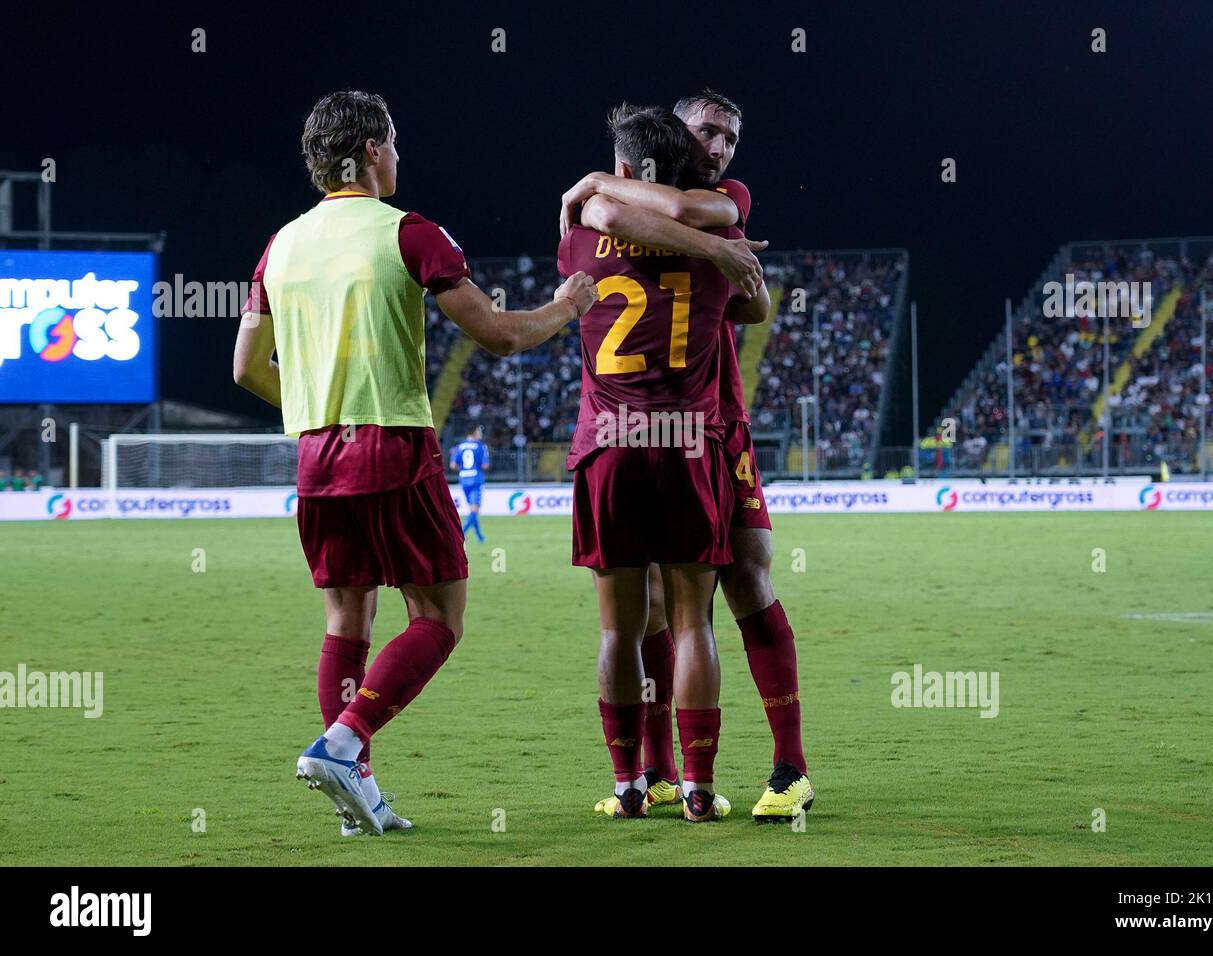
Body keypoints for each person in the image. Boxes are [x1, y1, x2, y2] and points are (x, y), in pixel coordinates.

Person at [233, 90, 596, 836]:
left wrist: (313, 405)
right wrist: (568, 306)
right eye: (393, 142)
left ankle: (355, 789)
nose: (399, 155)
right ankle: (343, 743)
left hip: (315, 452)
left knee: (347, 618)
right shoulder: (410, 233)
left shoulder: (282, 244)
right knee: (438, 614)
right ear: (370, 150)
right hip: (392, 444)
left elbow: (245, 367)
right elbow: (497, 335)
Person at [560, 89, 814, 820]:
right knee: (664, 616)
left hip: (711, 426)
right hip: (688, 430)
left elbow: (635, 216)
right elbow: (629, 214)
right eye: (708, 131)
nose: (721, 147)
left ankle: (789, 766)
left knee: (745, 583)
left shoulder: (727, 197)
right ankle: (671, 776)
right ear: (678, 133)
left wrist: (596, 184)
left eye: (732, 136)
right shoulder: (649, 208)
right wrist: (608, 192)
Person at [450, 425, 489, 542]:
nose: (480, 434)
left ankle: (479, 536)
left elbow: (452, 465)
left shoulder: (459, 446)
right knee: (474, 510)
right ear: (474, 433)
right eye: (479, 431)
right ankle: (460, 534)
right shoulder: (480, 446)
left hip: (464, 479)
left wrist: (463, 469)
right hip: (476, 479)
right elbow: (485, 465)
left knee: (473, 509)